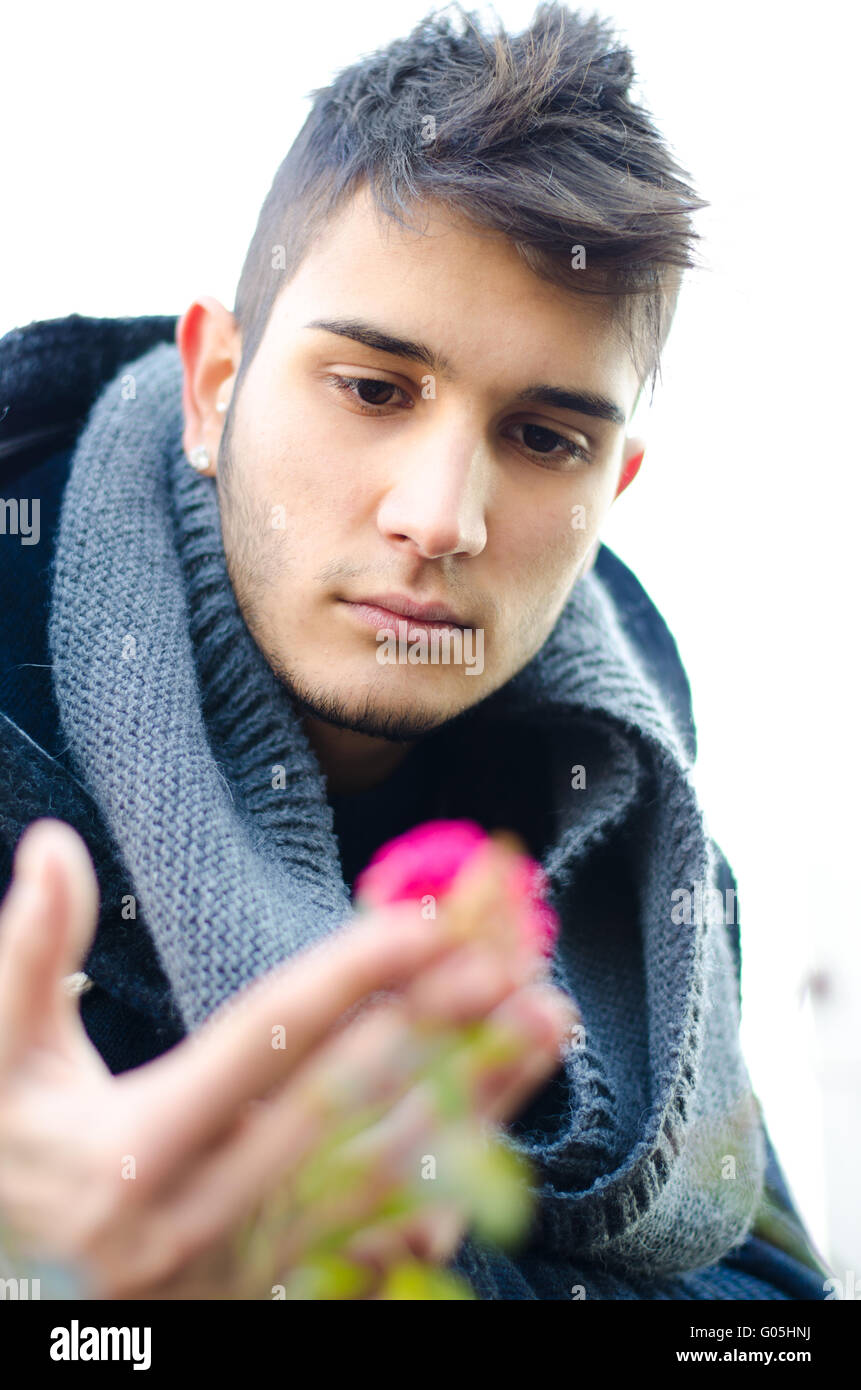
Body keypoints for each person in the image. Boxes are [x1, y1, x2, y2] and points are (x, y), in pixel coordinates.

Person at [0, 2, 830, 1299]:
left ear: (612, 489)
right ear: (217, 384)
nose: (438, 517)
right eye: (373, 389)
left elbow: (772, 1298)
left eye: (544, 437)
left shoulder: (634, 844)